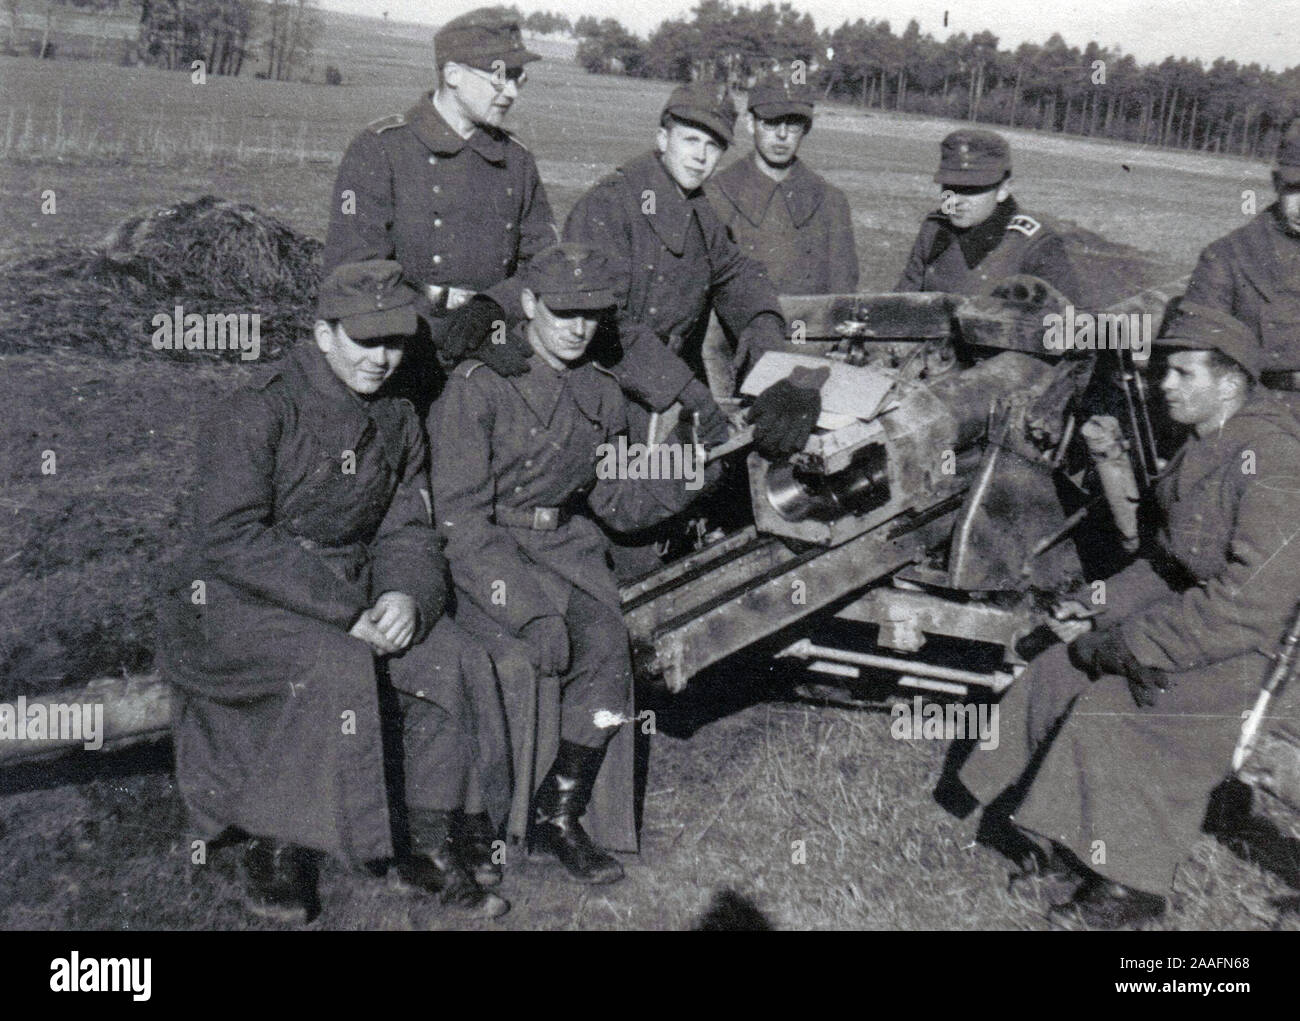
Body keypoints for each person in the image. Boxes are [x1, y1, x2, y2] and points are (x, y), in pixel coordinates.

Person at [157, 261, 510, 923]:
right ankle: (277, 844)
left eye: (397, 342)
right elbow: (229, 537)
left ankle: (425, 840)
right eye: (364, 340)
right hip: (234, 598)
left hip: (350, 591)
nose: (382, 358)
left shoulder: (400, 417)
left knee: (451, 655)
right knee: (334, 664)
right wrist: (346, 611)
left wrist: (407, 594)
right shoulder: (258, 410)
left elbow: (405, 522)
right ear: (323, 334)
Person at [953, 302, 1300, 928]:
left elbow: (1253, 604)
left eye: (1183, 374)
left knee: (1116, 709)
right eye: (1164, 370)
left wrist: (1134, 643)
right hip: (1197, 621)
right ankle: (1071, 845)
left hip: (1242, 647)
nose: (1165, 384)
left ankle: (1130, 883)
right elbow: (1166, 564)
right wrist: (1098, 605)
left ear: (1231, 380)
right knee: (1058, 673)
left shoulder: (1273, 461)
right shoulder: (1208, 442)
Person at [431, 243, 720, 883]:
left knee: (607, 647)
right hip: (488, 554)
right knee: (522, 653)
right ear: (529, 304)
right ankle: (475, 819)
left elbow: (615, 500)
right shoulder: (479, 386)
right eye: (562, 310)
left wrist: (694, 471)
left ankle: (556, 814)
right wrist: (527, 609)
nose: (577, 327)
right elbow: (459, 518)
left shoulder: (600, 391)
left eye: (591, 314)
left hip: (566, 550)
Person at [564, 81, 824, 467]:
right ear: (662, 138)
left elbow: (738, 275)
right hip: (605, 392)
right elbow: (602, 323)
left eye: (713, 146)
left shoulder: (697, 208)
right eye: (690, 140)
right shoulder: (610, 204)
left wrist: (771, 352)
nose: (701, 157)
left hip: (665, 389)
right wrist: (687, 388)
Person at [323, 7, 555, 399]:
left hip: (487, 353)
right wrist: (416, 329)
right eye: (501, 75)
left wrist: (494, 311)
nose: (512, 91)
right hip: (397, 350)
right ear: (452, 74)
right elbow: (353, 267)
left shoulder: (517, 161)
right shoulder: (380, 149)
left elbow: (543, 264)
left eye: (519, 78)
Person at [701, 73, 859, 396]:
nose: (783, 135)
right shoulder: (715, 196)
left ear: (806, 129)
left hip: (812, 369)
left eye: (794, 123)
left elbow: (842, 299)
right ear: (750, 123)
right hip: (728, 366)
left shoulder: (831, 201)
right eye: (771, 122)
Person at [1182, 119, 1300, 393]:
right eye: (1296, 188)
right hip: (1263, 410)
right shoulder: (1228, 258)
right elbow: (1197, 356)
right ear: (1276, 183)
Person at [895, 129, 1080, 302]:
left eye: (971, 190)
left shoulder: (1033, 244)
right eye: (949, 188)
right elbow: (902, 303)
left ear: (1003, 189)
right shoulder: (934, 228)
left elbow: (1065, 322)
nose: (955, 201)